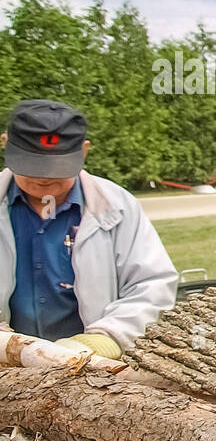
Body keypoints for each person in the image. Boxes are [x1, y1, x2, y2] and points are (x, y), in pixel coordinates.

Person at [0, 99, 178, 356]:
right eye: (32, 165)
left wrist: (104, 339)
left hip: (92, 367)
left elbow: (152, 286)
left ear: (83, 151)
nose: (43, 177)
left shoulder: (117, 205)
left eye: (56, 167)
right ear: (6, 143)